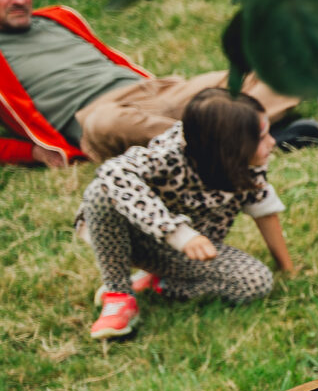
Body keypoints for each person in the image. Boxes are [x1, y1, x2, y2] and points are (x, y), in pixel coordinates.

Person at [0, 0, 306, 167]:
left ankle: (237, 138)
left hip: (155, 92)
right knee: (105, 122)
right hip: (99, 119)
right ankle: (252, 135)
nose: (18, 0)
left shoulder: (59, 17)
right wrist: (32, 153)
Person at [80, 87, 289, 340]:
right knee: (99, 193)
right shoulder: (168, 155)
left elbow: (263, 208)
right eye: (262, 137)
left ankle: (163, 282)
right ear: (231, 146)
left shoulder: (247, 162)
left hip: (186, 253)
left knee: (257, 282)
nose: (272, 142)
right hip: (129, 239)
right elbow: (113, 173)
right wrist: (179, 234)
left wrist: (287, 268)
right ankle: (118, 294)